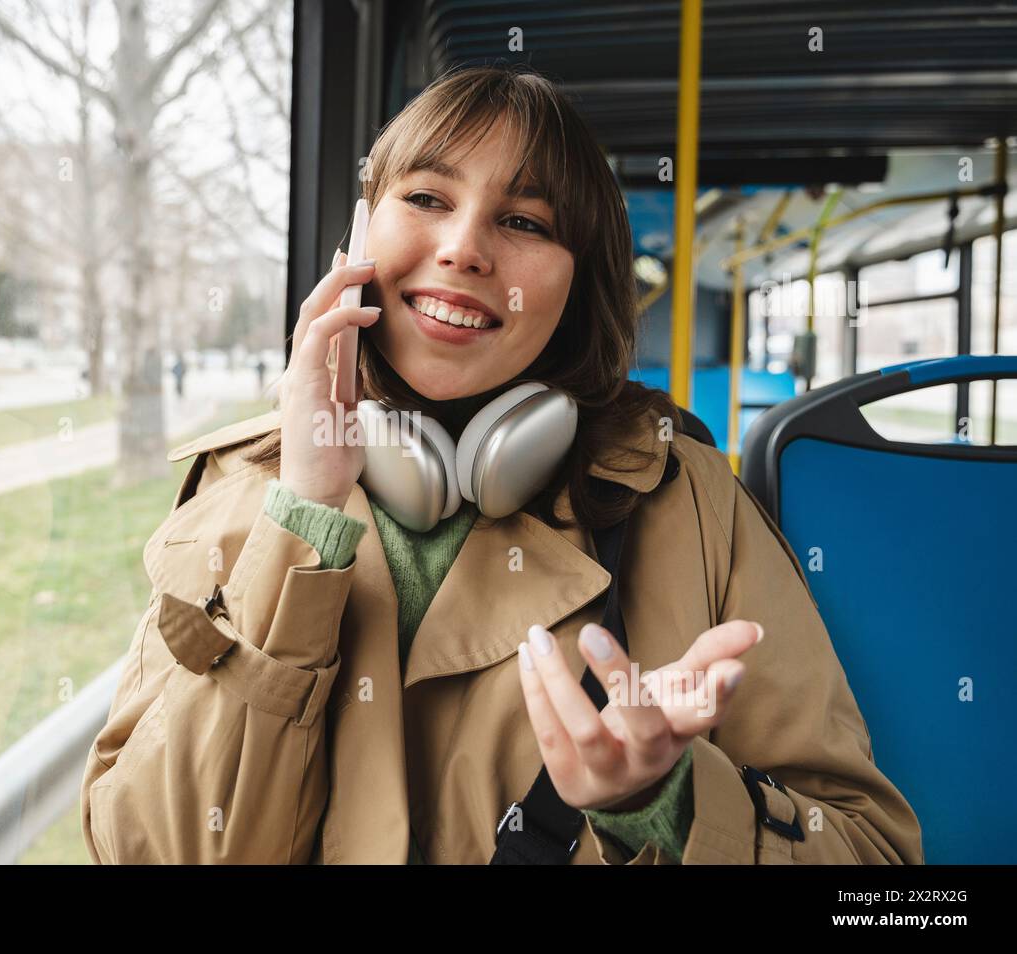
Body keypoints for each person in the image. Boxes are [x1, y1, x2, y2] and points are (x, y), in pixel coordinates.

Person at [80, 65, 923, 865]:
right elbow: (160, 847)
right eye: (424, 199)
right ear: (358, 239)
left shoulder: (689, 503)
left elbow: (872, 866)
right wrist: (303, 518)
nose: (463, 248)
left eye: (523, 221)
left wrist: (670, 800)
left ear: (578, 285)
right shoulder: (240, 494)